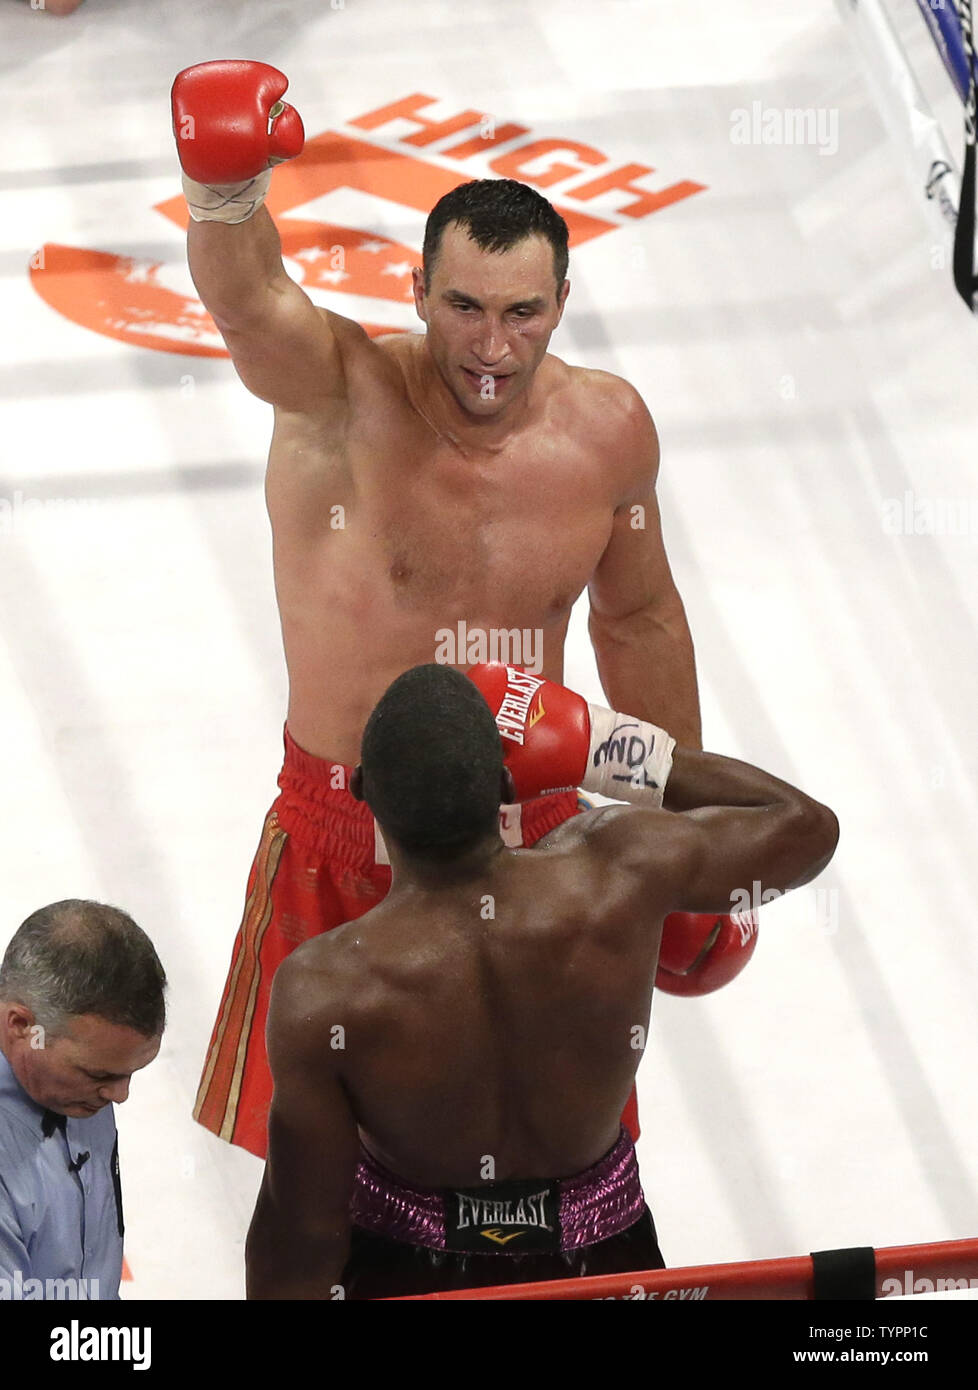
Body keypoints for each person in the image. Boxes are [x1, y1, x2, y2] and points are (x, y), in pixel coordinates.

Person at [175, 60, 708, 1159]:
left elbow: (638, 620)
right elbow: (248, 302)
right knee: (330, 1183)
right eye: (463, 307)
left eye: (522, 313)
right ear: (416, 294)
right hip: (345, 834)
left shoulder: (609, 433)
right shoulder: (338, 397)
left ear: (563, 303)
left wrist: (681, 823)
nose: (492, 346)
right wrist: (225, 200)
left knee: (551, 1153)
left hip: (531, 830)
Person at [245, 665, 838, 1299]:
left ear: (362, 789)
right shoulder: (617, 872)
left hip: (409, 1273)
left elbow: (303, 1234)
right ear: (505, 783)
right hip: (604, 1261)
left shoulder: (324, 990)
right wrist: (600, 747)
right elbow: (805, 825)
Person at [0, 900, 165, 1300]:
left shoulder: (73, 1088)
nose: (119, 1096)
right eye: (100, 1076)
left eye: (129, 1074)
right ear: (22, 1026)